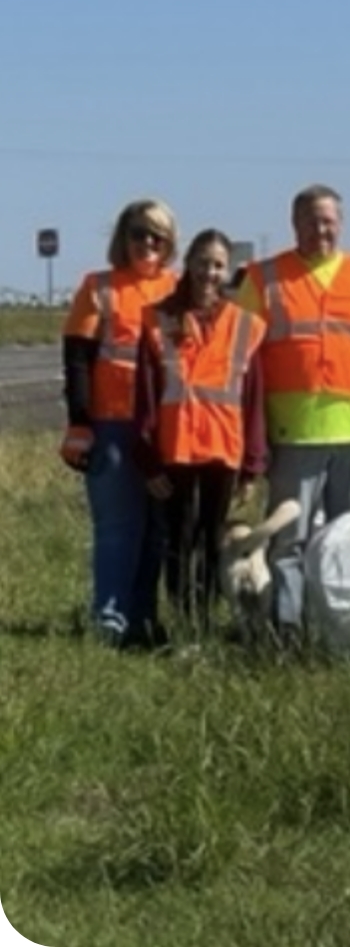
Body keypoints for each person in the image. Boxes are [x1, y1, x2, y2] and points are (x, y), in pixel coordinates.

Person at [235, 184, 350, 635]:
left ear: (340, 224)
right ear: (294, 224)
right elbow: (240, 357)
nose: (319, 229)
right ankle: (289, 628)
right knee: (290, 539)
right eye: (309, 220)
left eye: (327, 220)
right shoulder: (264, 277)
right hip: (294, 431)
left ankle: (342, 629)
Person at [133, 228, 268, 631]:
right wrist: (147, 461)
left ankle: (204, 624)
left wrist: (253, 464)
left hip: (224, 450)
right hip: (173, 450)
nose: (209, 272)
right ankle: (180, 623)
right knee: (178, 539)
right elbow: (144, 394)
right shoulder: (158, 319)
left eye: (218, 265)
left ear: (227, 271)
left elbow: (253, 398)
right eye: (203, 262)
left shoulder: (246, 325)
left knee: (212, 542)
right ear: (188, 263)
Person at [60, 198, 179, 647]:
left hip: (165, 432)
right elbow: (77, 359)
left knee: (157, 532)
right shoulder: (100, 286)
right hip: (111, 427)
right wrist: (79, 424)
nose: (147, 243)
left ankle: (143, 621)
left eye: (157, 236)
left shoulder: (181, 288)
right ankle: (109, 621)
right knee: (117, 528)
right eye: (138, 233)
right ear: (122, 238)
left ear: (170, 243)